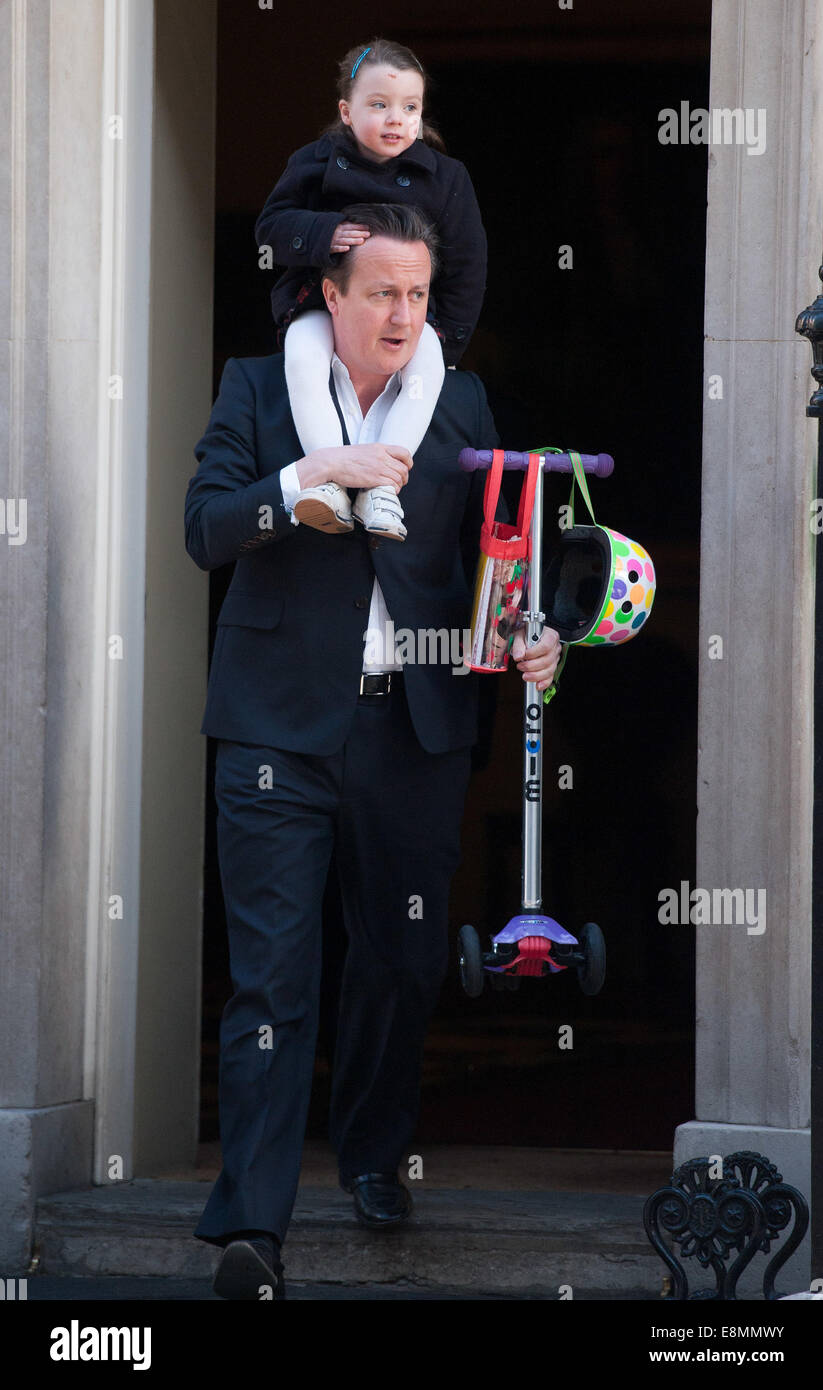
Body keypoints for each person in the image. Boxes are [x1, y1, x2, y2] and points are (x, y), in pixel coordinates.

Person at [184, 203, 562, 1300]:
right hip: (274, 727)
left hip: (415, 728)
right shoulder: (256, 390)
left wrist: (531, 632)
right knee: (272, 979)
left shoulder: (464, 402)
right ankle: (250, 1230)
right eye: (381, 291)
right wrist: (304, 484)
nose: (403, 313)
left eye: (417, 294)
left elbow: (506, 558)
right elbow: (205, 526)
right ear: (330, 296)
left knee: (398, 960)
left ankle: (372, 1155)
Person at [255, 36, 487, 542]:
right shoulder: (313, 162)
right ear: (346, 111)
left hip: (412, 316)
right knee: (302, 359)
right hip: (318, 303)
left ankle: (383, 487)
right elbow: (270, 228)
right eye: (378, 105)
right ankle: (330, 482)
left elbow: (469, 263)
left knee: (426, 369)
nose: (395, 119)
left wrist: (445, 335)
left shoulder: (446, 178)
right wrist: (323, 234)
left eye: (410, 108)